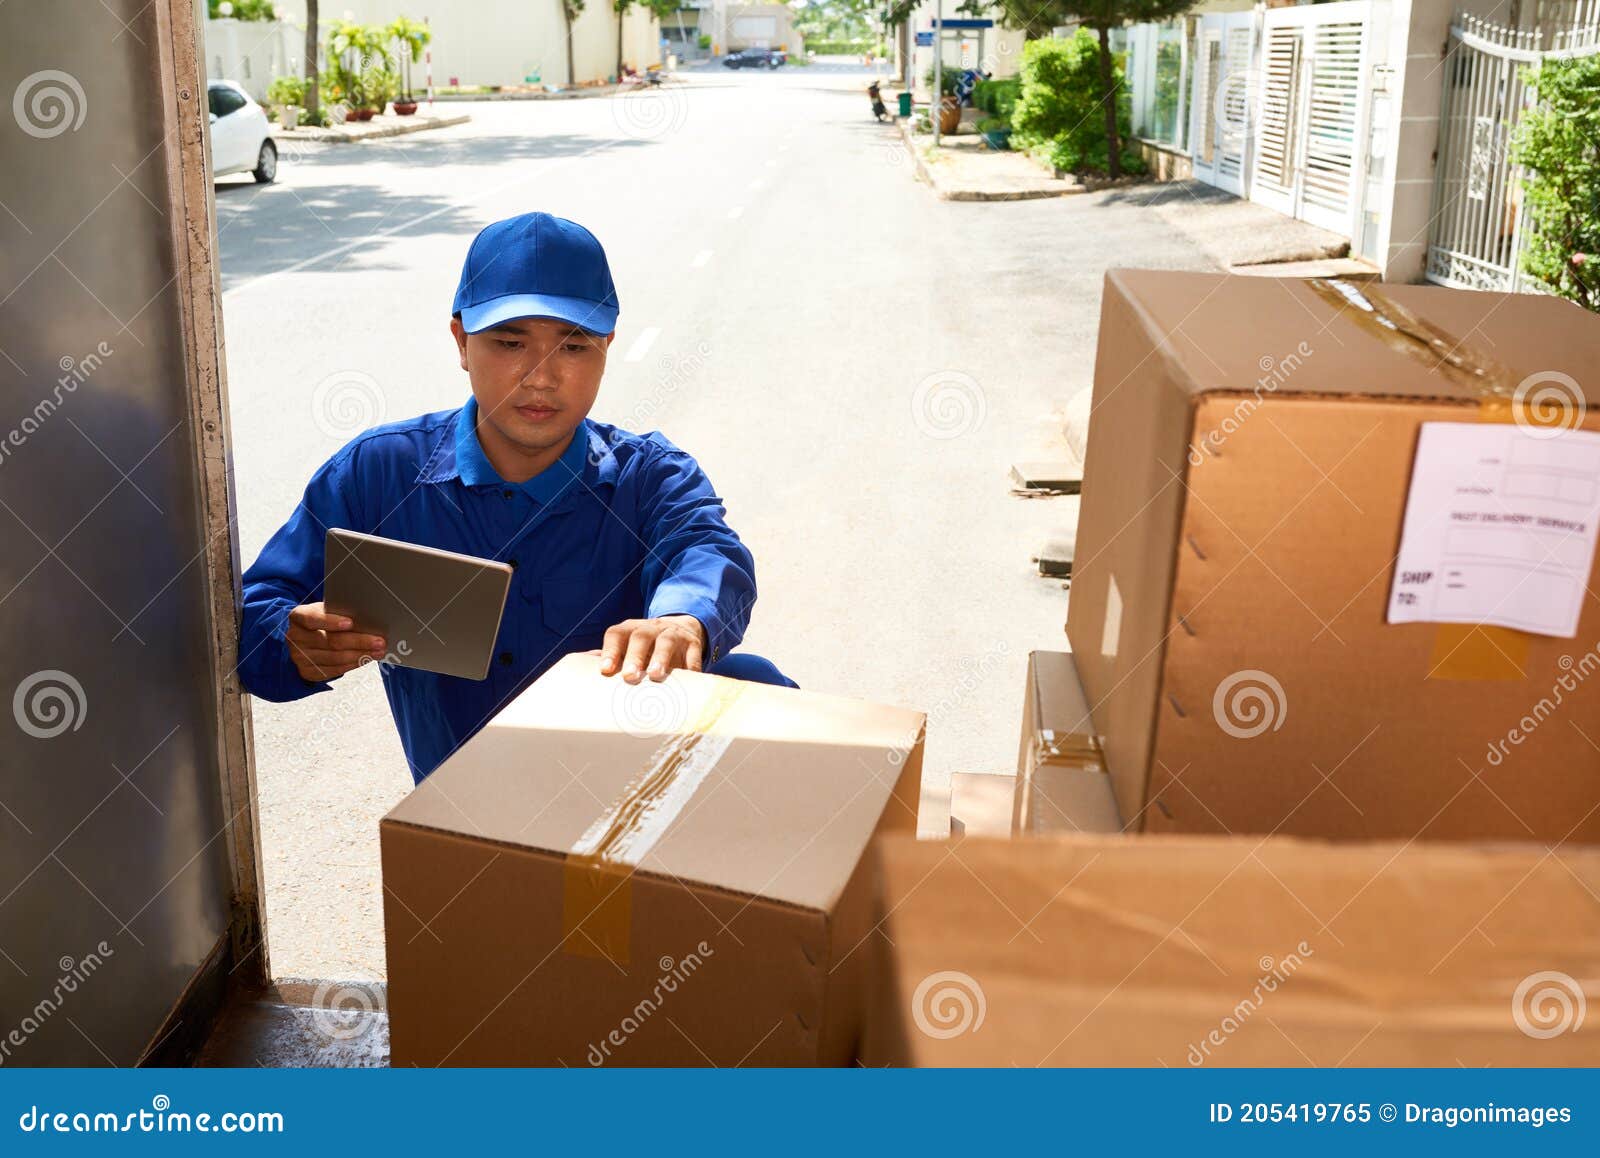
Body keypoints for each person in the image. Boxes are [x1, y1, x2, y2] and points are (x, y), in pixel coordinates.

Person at [235, 211, 794, 784]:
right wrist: (291, 642)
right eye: (509, 342)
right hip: (464, 822)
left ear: (607, 348)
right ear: (461, 341)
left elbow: (705, 551)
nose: (542, 377)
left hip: (630, 799)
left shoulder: (650, 477)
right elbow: (259, 610)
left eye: (574, 346)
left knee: (761, 688)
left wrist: (682, 620)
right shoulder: (377, 474)